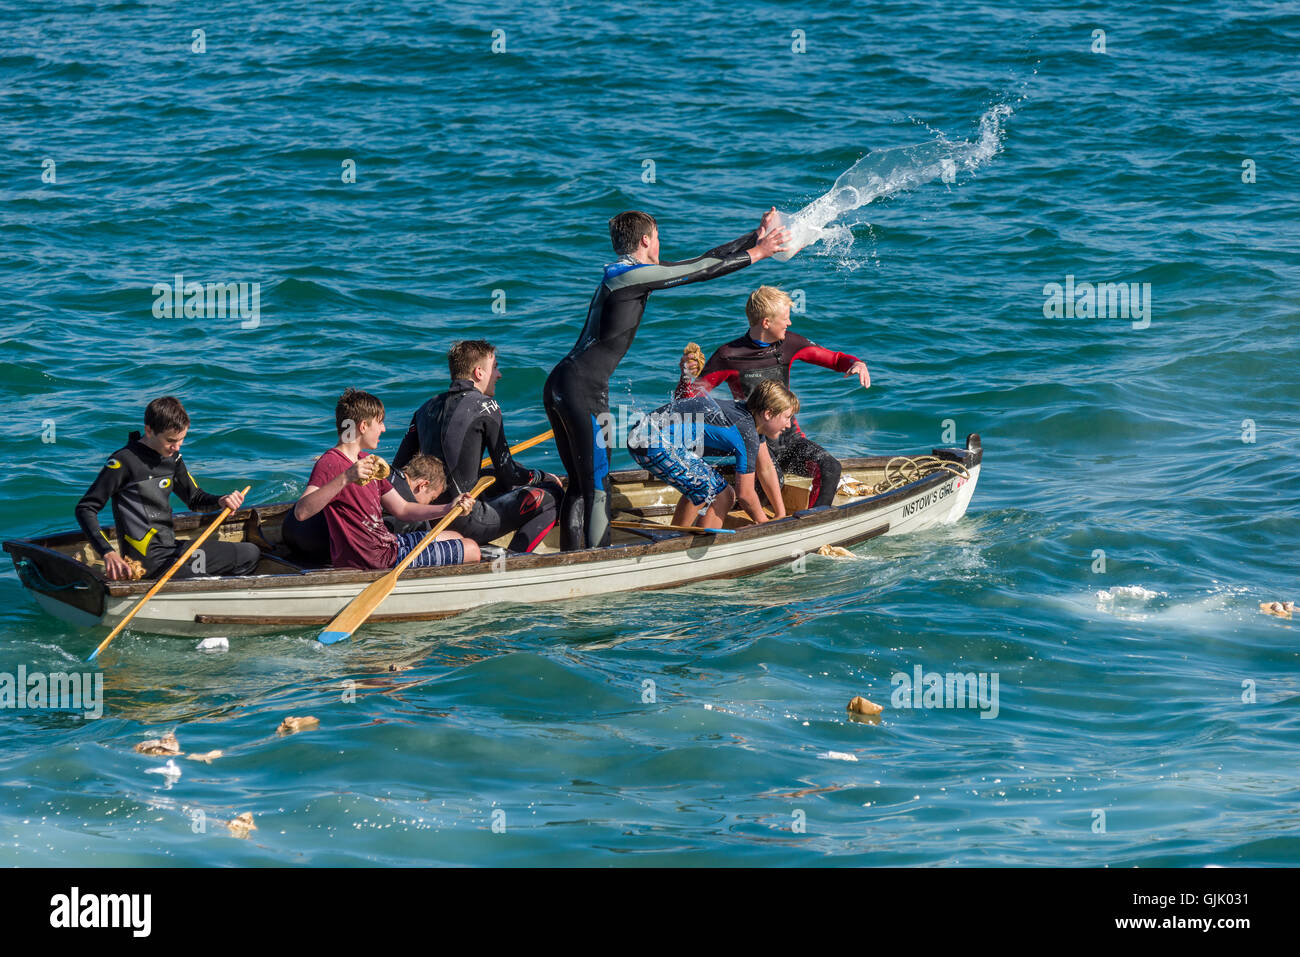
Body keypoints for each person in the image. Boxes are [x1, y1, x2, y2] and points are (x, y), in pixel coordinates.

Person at [543, 208, 791, 551]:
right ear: (646, 240)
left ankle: (571, 560)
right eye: (658, 237)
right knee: (597, 486)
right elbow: (699, 271)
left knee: (581, 486)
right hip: (582, 390)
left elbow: (702, 260)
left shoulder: (621, 274)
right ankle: (596, 562)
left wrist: (754, 237)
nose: (661, 244)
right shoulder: (633, 276)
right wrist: (758, 254)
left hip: (560, 383)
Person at [686, 285, 869, 508]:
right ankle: (714, 503)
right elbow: (691, 399)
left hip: (790, 440)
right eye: (785, 318)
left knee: (830, 467)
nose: (789, 323)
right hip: (755, 444)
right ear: (766, 322)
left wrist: (855, 363)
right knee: (767, 489)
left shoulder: (789, 344)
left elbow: (834, 359)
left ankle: (814, 521)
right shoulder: (729, 355)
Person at [392, 340, 562, 554]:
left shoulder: (424, 409)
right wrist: (541, 476)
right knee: (552, 496)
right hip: (464, 517)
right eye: (495, 367)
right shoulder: (486, 407)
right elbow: (509, 473)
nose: (499, 375)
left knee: (493, 475)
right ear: (479, 372)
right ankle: (516, 560)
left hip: (432, 516)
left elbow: (398, 471)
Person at [75, 396, 260, 580]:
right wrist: (107, 552)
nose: (176, 447)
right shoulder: (123, 462)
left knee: (249, 554)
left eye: (182, 440)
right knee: (200, 581)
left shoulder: (173, 458)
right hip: (146, 563)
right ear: (149, 431)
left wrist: (221, 501)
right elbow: (85, 508)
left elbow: (194, 498)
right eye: (171, 440)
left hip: (173, 551)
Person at [293, 388, 480, 570]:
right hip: (374, 560)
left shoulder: (369, 462)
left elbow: (403, 509)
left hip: (388, 546)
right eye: (380, 422)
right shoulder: (331, 463)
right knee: (471, 549)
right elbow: (301, 512)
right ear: (363, 426)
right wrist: (346, 477)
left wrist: (449, 509)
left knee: (453, 535)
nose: (384, 429)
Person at [628, 379, 797, 530]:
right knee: (722, 494)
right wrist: (764, 524)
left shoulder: (749, 419)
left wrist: (780, 514)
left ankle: (675, 536)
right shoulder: (746, 431)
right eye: (787, 417)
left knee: (704, 486)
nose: (789, 425)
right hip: (652, 443)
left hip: (641, 437)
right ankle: (692, 547)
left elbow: (766, 467)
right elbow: (745, 494)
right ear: (768, 414)